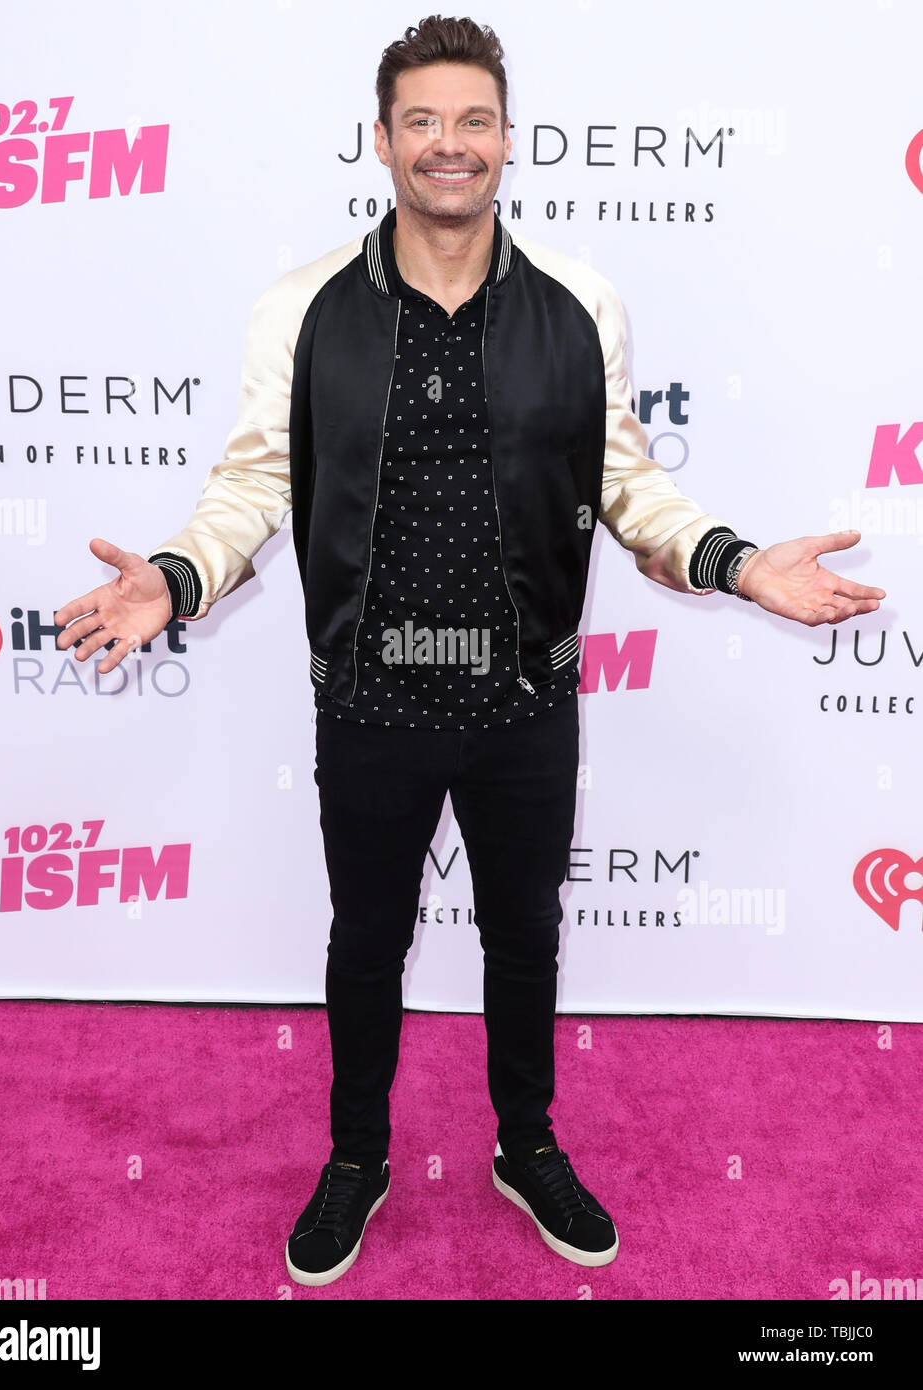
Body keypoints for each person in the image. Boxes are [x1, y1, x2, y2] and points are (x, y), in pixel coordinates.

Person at [54, 16, 885, 1289]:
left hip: (522, 699)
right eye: (424, 122)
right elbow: (252, 488)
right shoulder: (304, 307)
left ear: (509, 139)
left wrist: (734, 560)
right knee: (364, 940)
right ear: (382, 140)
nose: (451, 145)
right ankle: (354, 1157)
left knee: (525, 937)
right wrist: (173, 576)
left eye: (474, 121)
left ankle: (526, 1140)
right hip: (370, 696)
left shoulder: (576, 304)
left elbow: (628, 491)